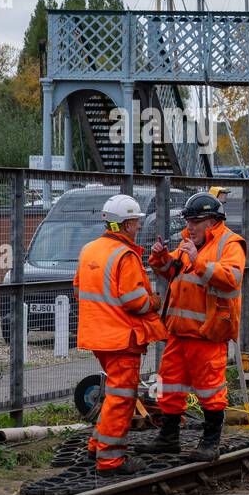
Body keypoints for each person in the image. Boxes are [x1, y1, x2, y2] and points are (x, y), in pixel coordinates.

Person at [148, 192, 246, 462]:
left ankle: (210, 441)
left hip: (207, 333)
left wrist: (199, 260)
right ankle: (168, 438)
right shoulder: (188, 243)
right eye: (189, 221)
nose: (190, 226)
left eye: (196, 221)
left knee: (210, 390)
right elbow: (174, 272)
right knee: (169, 386)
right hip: (179, 332)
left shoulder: (230, 244)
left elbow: (232, 278)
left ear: (213, 221)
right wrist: (160, 259)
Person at [74, 194, 167, 477]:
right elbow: (135, 301)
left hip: (98, 336)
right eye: (136, 222)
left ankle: (96, 447)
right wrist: (156, 300)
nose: (138, 226)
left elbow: (79, 290)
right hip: (121, 338)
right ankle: (110, 461)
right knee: (122, 398)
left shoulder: (90, 250)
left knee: (114, 395)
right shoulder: (125, 256)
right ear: (126, 225)